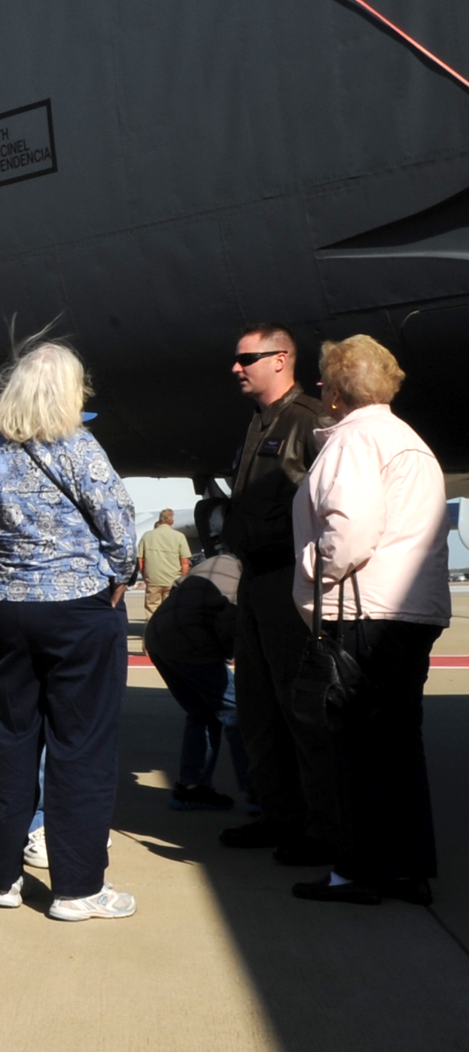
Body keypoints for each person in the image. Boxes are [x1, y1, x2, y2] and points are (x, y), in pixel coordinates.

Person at [0, 339, 138, 921]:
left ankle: (3, 877)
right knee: (81, 746)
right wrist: (119, 572)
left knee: (9, 740)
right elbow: (117, 517)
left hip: (9, 606)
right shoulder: (77, 446)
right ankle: (77, 887)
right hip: (76, 606)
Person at [289, 335, 451, 906]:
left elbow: (350, 531)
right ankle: (409, 869)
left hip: (364, 612)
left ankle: (358, 870)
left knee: (355, 749)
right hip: (411, 610)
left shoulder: (354, 442)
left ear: (333, 392)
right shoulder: (409, 441)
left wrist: (311, 570)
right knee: (399, 746)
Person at [219, 322, 338, 866]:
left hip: (290, 580)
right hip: (255, 580)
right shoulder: (259, 421)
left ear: (281, 358)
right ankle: (279, 814)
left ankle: (320, 827)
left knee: (301, 709)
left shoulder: (310, 420)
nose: (236, 368)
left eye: (248, 358)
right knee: (258, 709)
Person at [143, 552, 252, 811]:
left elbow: (178, 584)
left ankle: (191, 787)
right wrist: (233, 653)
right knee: (238, 712)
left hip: (159, 638)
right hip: (192, 645)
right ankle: (259, 793)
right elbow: (230, 623)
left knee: (201, 713)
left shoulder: (215, 562)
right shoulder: (242, 579)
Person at [138, 508, 192, 614]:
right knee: (171, 609)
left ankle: (152, 629)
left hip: (153, 579)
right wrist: (182, 580)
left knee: (152, 609)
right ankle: (168, 629)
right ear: (172, 521)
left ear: (160, 520)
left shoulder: (147, 536)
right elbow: (185, 562)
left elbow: (140, 559)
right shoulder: (179, 537)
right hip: (172, 580)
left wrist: (145, 576)